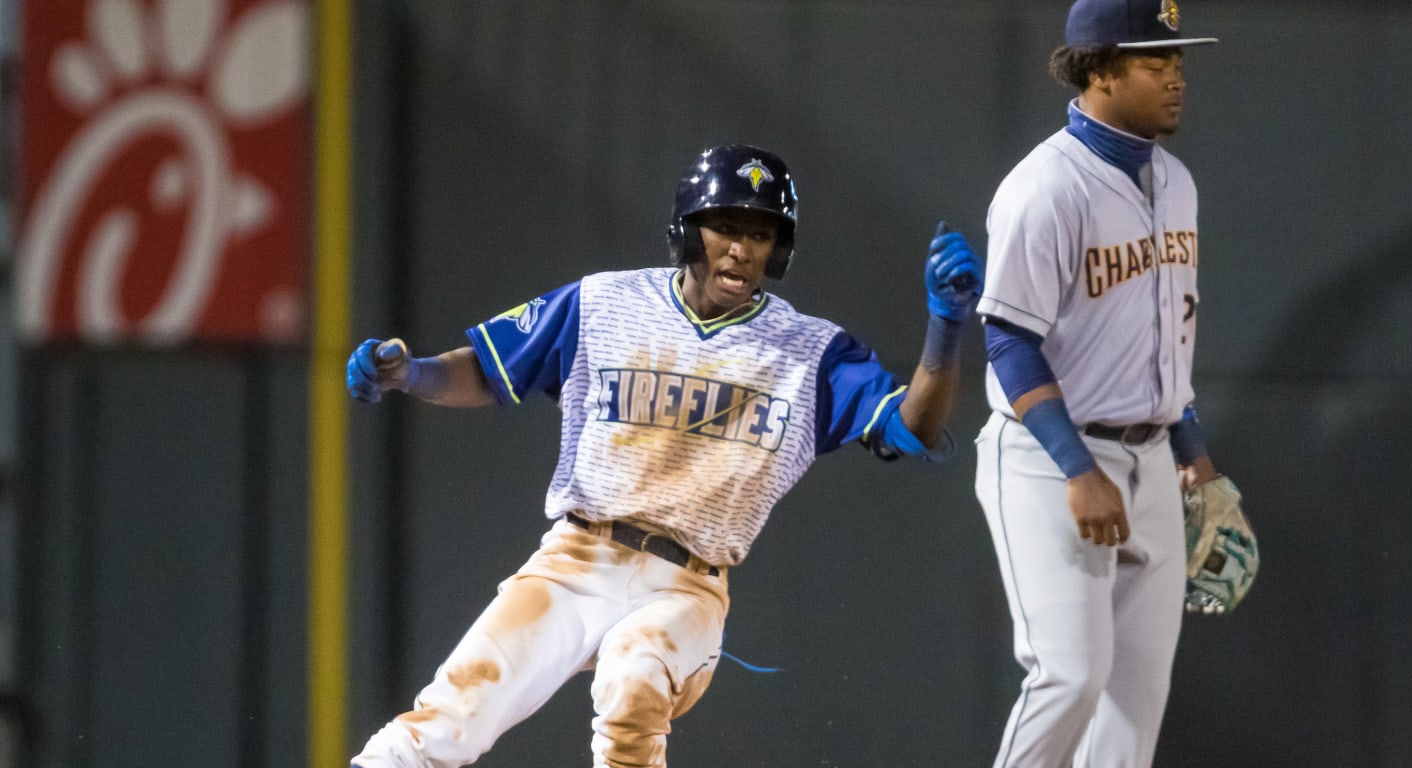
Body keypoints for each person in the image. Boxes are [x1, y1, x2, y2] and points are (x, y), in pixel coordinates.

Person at [345, 143, 983, 768]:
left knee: (634, 678)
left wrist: (946, 328)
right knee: (446, 718)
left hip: (688, 584)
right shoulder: (603, 302)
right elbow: (490, 370)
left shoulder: (812, 351)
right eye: (724, 226)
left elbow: (913, 426)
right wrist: (414, 375)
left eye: (760, 233)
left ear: (778, 248)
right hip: (576, 558)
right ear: (688, 230)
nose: (741, 247)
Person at [971, 0, 1224, 766]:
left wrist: (1193, 449)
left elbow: (1164, 334)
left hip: (1150, 459)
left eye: (1178, 61)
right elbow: (1008, 338)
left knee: (1133, 709)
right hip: (1052, 458)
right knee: (1069, 677)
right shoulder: (1044, 189)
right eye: (1156, 62)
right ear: (1101, 69)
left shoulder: (1176, 182)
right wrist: (1077, 470)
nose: (1176, 78)